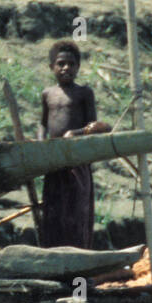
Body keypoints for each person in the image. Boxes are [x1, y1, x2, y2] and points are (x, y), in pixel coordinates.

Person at [38, 40, 111, 249]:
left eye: (71, 64)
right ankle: (53, 256)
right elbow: (43, 123)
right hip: (53, 161)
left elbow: (94, 126)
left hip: (77, 160)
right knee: (53, 209)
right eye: (60, 63)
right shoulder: (48, 94)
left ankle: (78, 256)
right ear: (51, 66)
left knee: (76, 209)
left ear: (78, 67)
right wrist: (41, 143)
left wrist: (75, 133)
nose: (66, 68)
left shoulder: (84, 93)